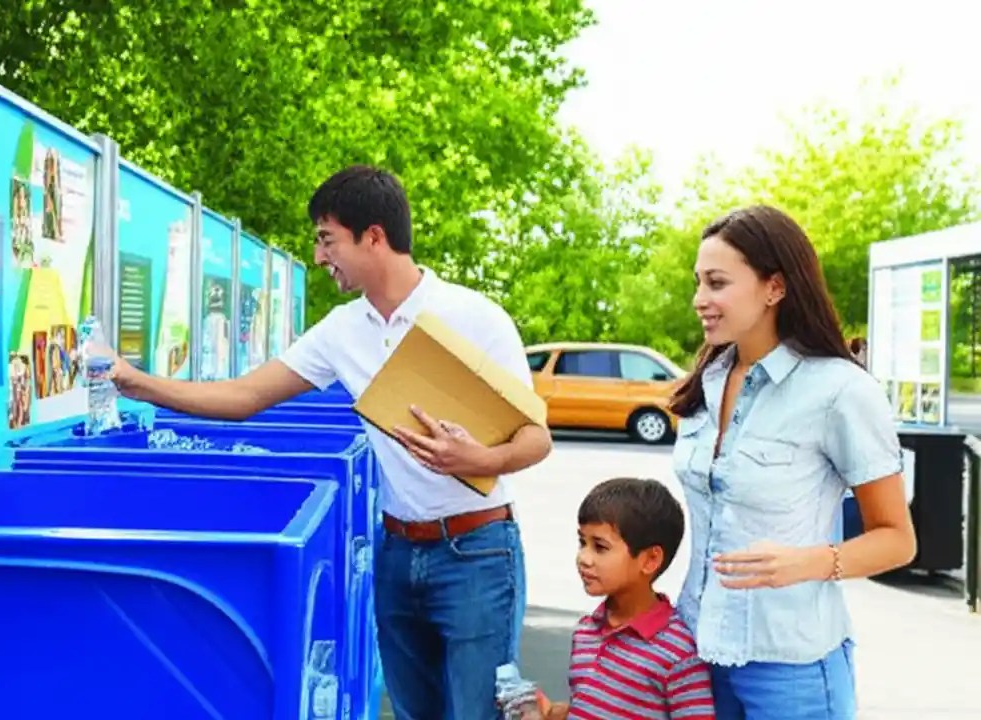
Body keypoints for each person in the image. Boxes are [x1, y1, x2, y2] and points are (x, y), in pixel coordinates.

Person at [102, 165, 552, 719]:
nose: (319, 256)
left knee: (479, 714)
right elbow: (243, 398)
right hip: (396, 551)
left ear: (374, 237)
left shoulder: (473, 316)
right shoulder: (343, 330)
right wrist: (132, 381)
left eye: (326, 239)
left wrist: (481, 458)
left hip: (478, 553)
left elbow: (537, 437)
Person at [671, 205, 916, 719]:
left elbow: (897, 538)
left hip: (792, 667)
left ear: (774, 287)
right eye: (698, 283)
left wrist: (806, 563)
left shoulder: (839, 391)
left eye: (717, 283)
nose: (699, 300)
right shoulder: (708, 381)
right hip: (694, 651)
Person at [536, 477, 714, 720]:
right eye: (582, 542)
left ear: (650, 560)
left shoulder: (677, 654)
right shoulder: (586, 632)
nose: (584, 558)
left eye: (600, 547)